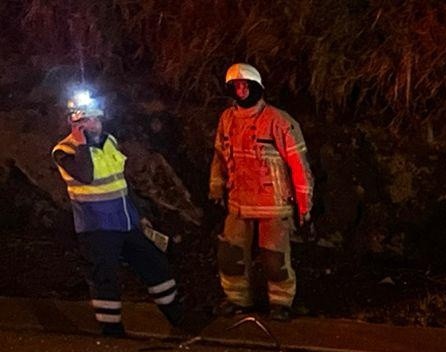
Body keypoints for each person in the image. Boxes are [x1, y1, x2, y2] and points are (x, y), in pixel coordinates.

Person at [51, 91, 187, 337]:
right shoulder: (64, 150)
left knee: (154, 264)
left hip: (126, 221)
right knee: (106, 279)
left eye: (96, 119)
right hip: (97, 227)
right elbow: (86, 176)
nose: (94, 125)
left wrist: (139, 214)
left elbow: (121, 182)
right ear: (74, 123)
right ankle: (111, 330)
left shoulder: (109, 140)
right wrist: (81, 144)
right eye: (87, 121)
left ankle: (178, 318)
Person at [208, 63, 314, 320]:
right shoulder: (227, 119)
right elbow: (220, 157)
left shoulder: (278, 121)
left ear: (257, 87)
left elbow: (299, 166)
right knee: (230, 255)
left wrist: (304, 204)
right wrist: (216, 187)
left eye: (246, 85)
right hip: (238, 201)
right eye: (236, 86)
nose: (241, 90)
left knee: (274, 258)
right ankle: (237, 299)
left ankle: (281, 303)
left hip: (273, 203)